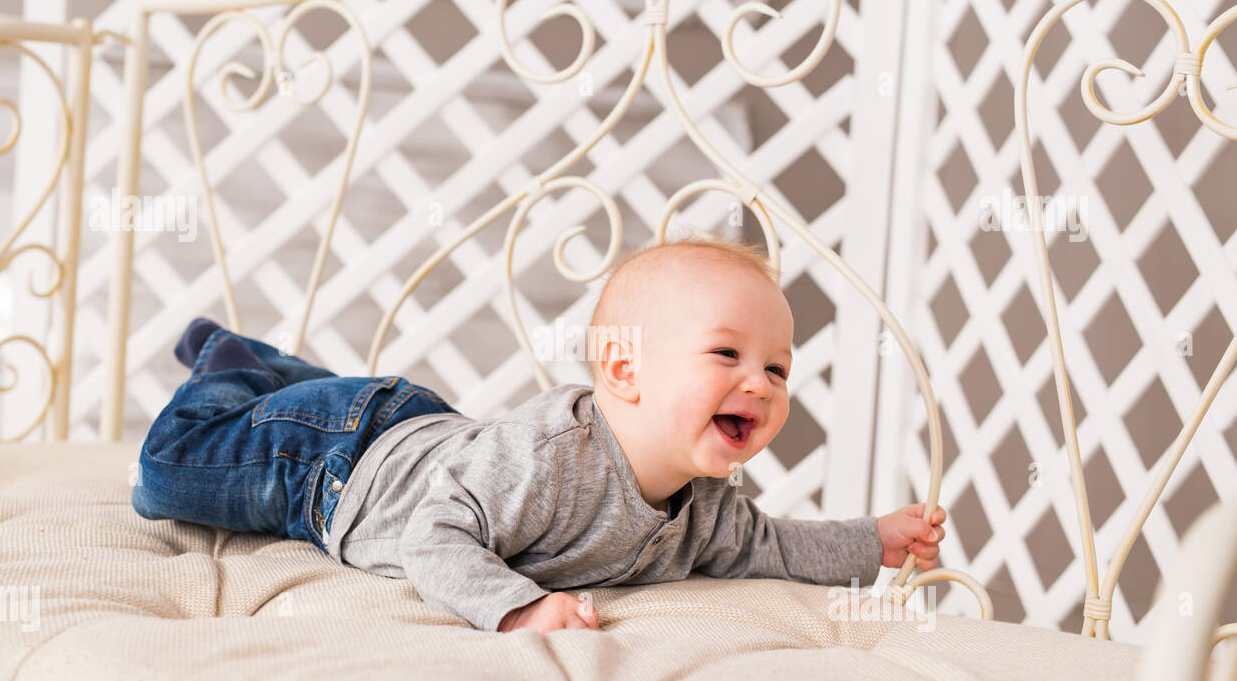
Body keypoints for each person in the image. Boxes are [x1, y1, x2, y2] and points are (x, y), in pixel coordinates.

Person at [132, 232, 946, 635]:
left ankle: (279, 374)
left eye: (778, 369)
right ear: (624, 373)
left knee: (302, 410)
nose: (759, 384)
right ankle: (227, 366)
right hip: (335, 462)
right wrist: (518, 611)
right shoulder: (550, 462)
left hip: (422, 431)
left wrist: (874, 540)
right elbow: (432, 537)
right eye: (727, 354)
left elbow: (773, 549)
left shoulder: (706, 507)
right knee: (162, 479)